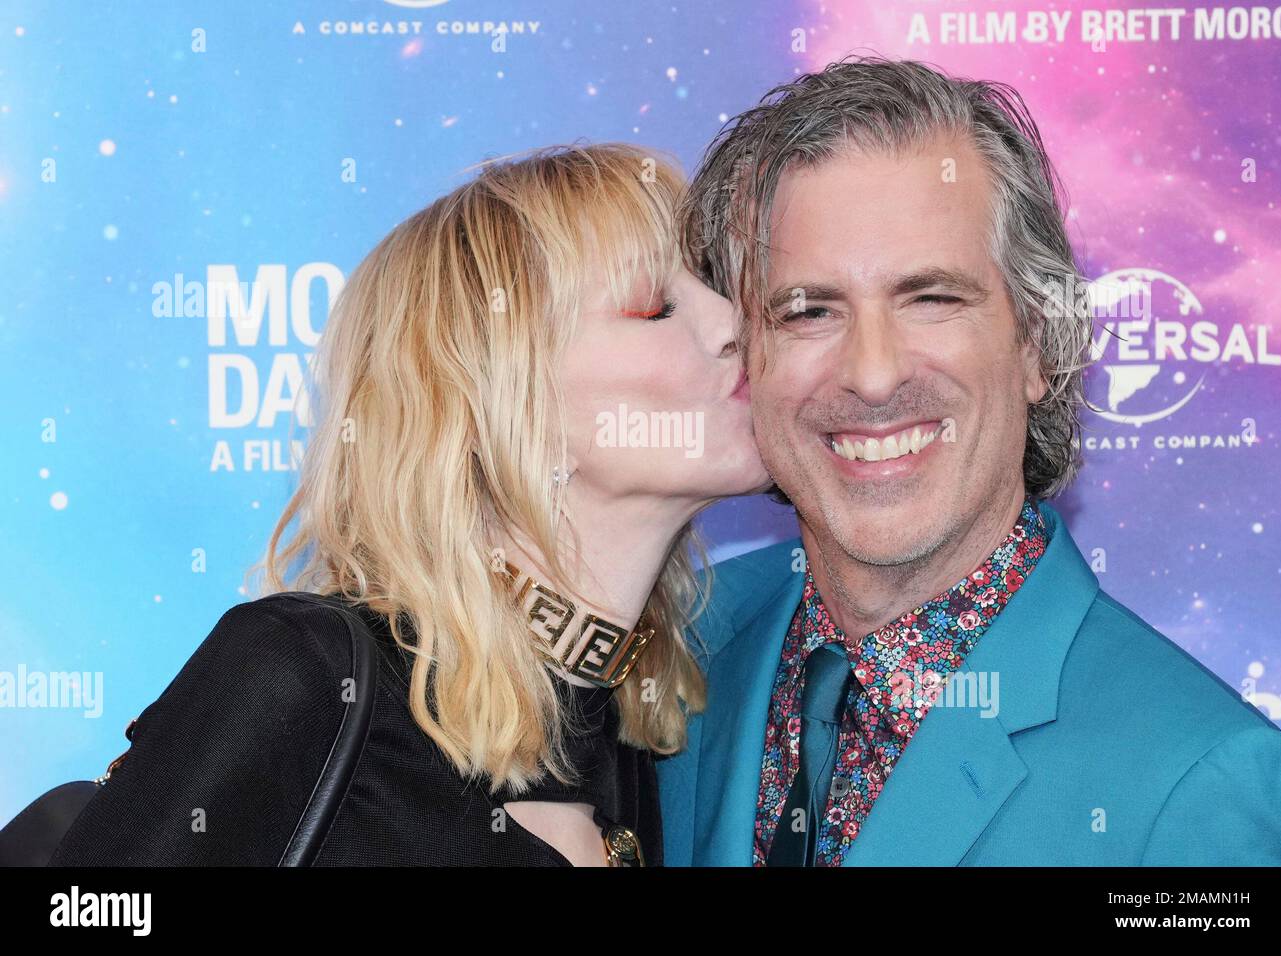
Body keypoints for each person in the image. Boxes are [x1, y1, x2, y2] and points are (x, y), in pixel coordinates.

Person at [655, 56, 1281, 866]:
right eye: (808, 310)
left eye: (931, 298)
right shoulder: (671, 652)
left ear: (1034, 342)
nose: (874, 372)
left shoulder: (1206, 787)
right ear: (743, 356)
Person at [48, 143, 769, 867]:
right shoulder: (299, 671)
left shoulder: (639, 731)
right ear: (498, 399)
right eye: (653, 306)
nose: (733, 322)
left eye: (713, 283)